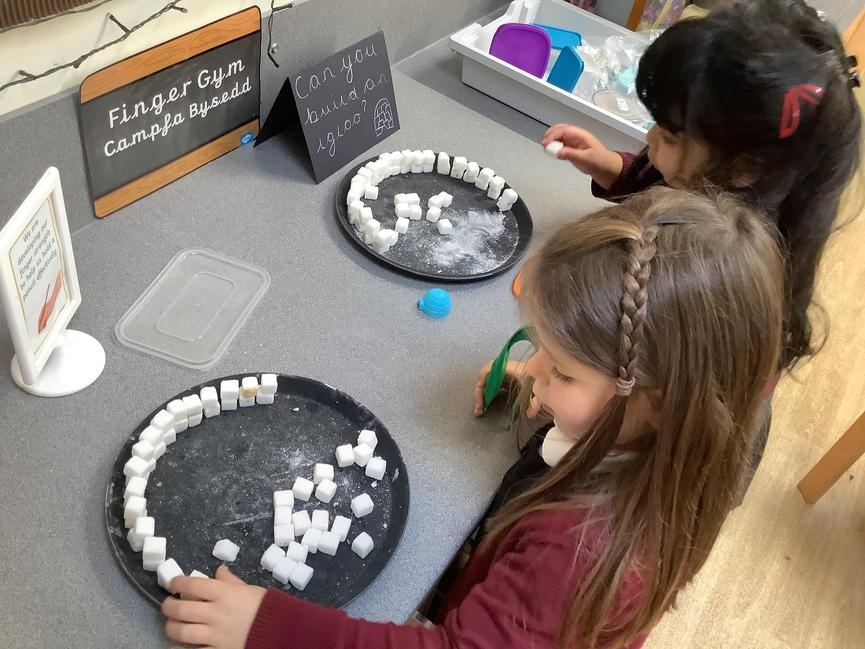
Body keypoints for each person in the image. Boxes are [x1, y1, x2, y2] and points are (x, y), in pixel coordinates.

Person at [161, 188, 784, 649]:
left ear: (654, 400)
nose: (535, 370)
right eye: (539, 350)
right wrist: (546, 387)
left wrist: (268, 624)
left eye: (563, 371)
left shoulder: (576, 553)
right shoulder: (662, 441)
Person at [541, 0, 861, 371]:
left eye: (671, 137)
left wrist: (552, 377)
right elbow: (657, 180)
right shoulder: (713, 180)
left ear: (747, 170)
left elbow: (638, 384)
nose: (649, 137)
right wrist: (609, 167)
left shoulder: (713, 284)